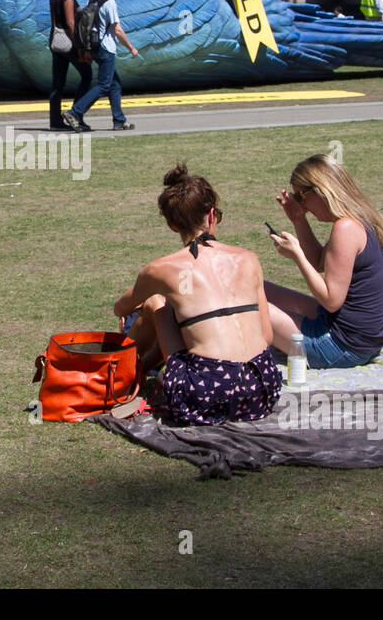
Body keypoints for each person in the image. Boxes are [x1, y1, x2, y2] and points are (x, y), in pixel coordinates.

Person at [112, 165, 280, 426]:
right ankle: (133, 373)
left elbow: (120, 308)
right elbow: (266, 336)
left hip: (207, 393)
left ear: (171, 225)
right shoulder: (249, 259)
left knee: (158, 303)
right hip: (261, 387)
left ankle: (126, 375)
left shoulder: (160, 270)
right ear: (212, 215)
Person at [263, 155, 383, 369]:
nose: (302, 205)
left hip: (342, 347)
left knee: (249, 306)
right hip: (357, 338)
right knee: (255, 288)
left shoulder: (346, 229)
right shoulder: (361, 219)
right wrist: (299, 220)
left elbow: (331, 300)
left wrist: (297, 255)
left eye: (301, 196)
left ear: (322, 190)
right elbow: (318, 262)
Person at [61, 0, 140, 132]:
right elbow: (117, 29)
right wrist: (131, 48)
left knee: (114, 84)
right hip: (106, 48)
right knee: (104, 85)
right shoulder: (110, 3)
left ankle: (119, 120)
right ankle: (75, 112)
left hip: (94, 46)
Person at [47, 0, 92, 130]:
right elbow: (71, 22)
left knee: (58, 82)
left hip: (55, 41)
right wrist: (80, 45)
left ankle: (55, 120)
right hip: (67, 42)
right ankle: (76, 114)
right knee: (87, 75)